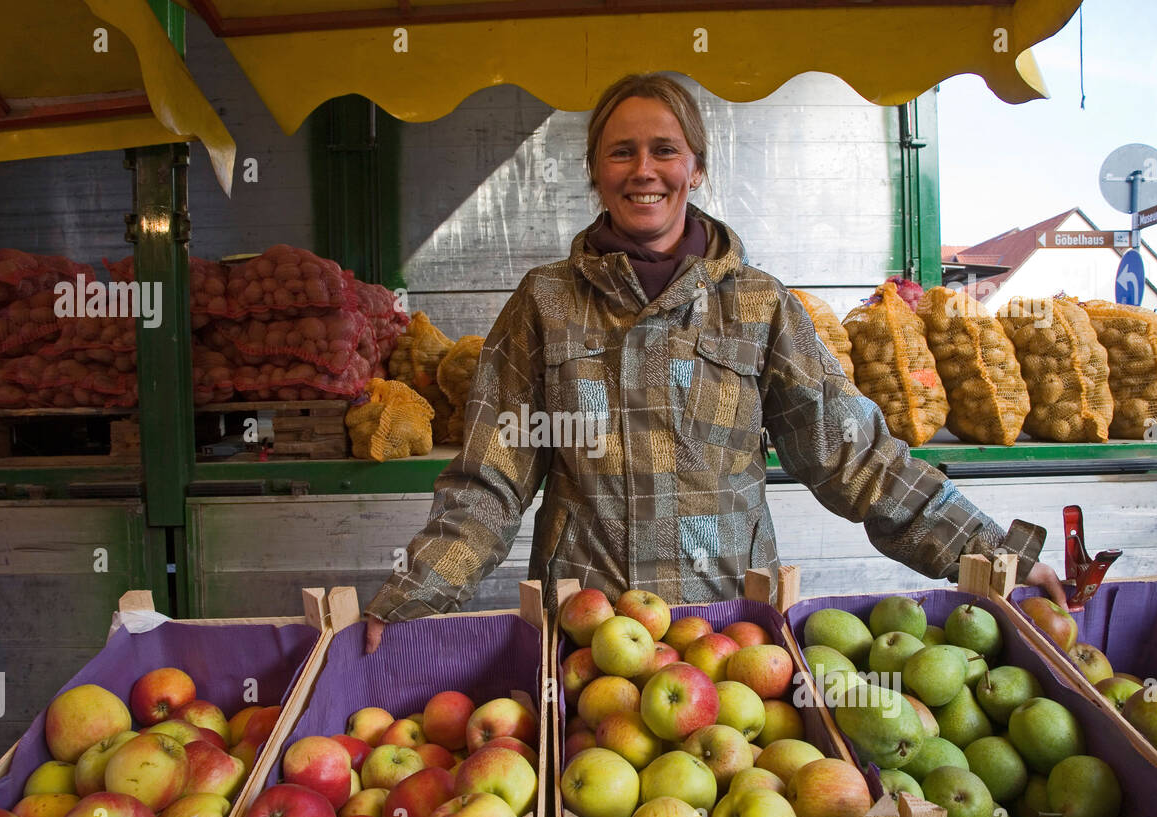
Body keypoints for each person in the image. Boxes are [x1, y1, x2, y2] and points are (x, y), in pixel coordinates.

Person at [362, 72, 1066, 652]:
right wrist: (411, 597)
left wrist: (996, 554)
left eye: (665, 150)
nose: (644, 170)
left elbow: (857, 458)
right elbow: (489, 480)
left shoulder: (759, 305)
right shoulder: (546, 303)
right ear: (594, 173)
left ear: (695, 168)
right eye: (621, 152)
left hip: (729, 636)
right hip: (589, 632)